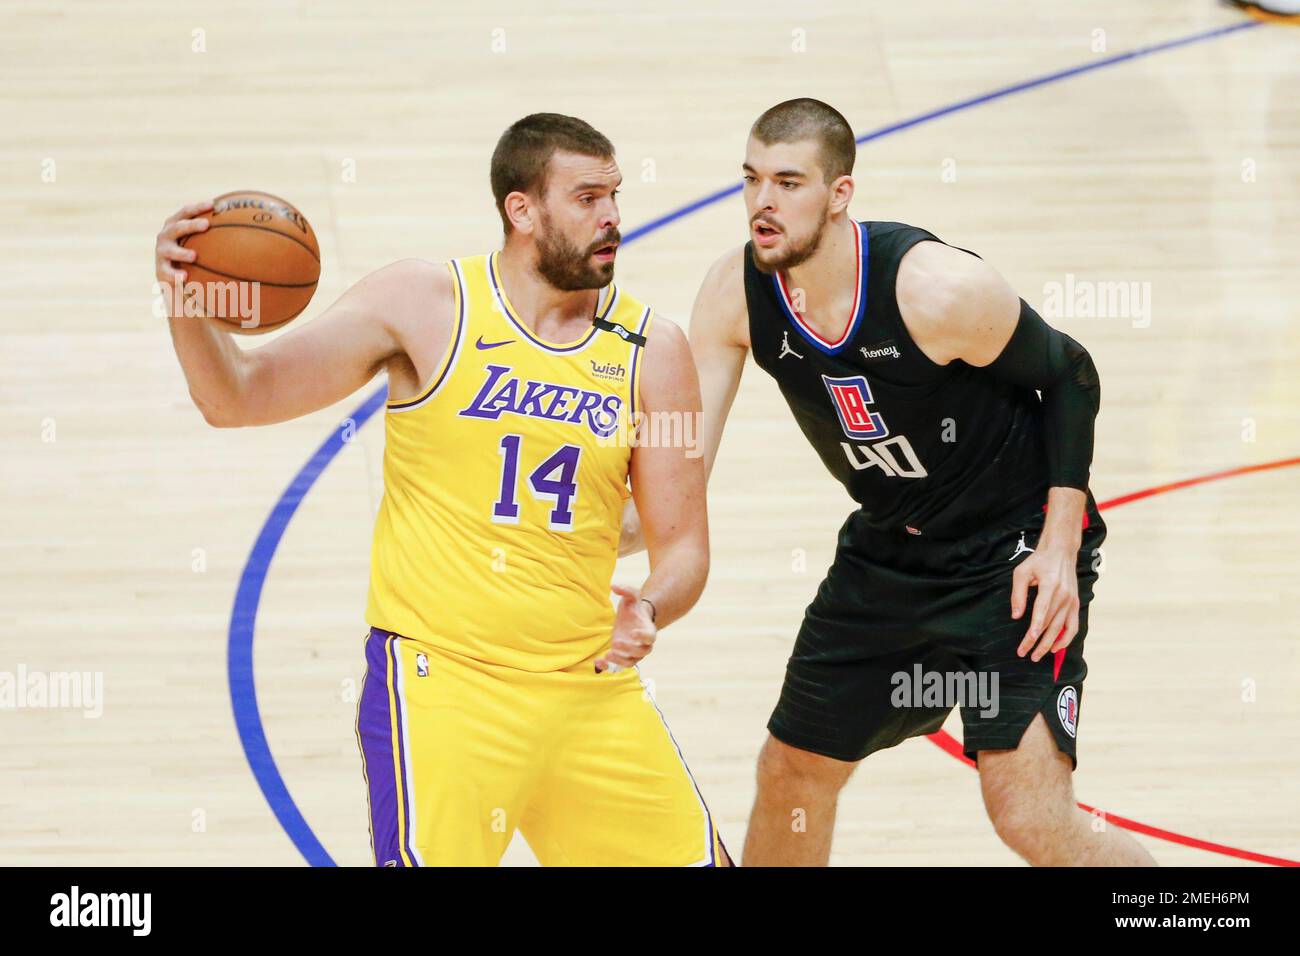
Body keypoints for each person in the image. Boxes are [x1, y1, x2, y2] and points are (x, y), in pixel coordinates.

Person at [156, 112, 727, 867]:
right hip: (442, 687)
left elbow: (682, 544)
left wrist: (651, 608)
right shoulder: (424, 304)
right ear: (521, 210)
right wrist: (189, 299)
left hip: (588, 686)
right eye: (587, 197)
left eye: (615, 195)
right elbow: (236, 396)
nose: (613, 216)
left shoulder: (655, 351)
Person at [625, 98, 1155, 866]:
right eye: (751, 180)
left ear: (840, 194)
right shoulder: (736, 292)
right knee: (792, 771)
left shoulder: (935, 290)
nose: (762, 203)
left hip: (1008, 553)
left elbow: (1071, 374)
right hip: (891, 556)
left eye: (788, 182)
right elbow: (684, 458)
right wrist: (604, 533)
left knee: (1028, 814)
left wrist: (1059, 547)